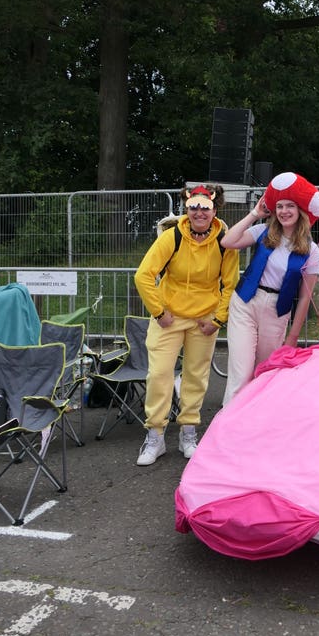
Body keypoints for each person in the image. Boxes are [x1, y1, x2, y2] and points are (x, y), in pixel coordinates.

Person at [134, 184, 240, 466]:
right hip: (169, 318)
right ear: (186, 208)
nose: (199, 213)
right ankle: (155, 435)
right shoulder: (172, 236)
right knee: (159, 374)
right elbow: (143, 275)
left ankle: (188, 432)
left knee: (196, 376)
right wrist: (159, 312)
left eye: (205, 208)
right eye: (194, 207)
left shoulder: (225, 241)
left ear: (215, 211)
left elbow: (230, 283)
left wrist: (218, 319)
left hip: (204, 319)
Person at [221, 172, 319, 405]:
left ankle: (256, 420)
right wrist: (255, 214)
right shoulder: (263, 231)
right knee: (241, 373)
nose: (284, 211)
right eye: (279, 206)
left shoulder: (311, 250)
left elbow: (305, 297)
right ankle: (229, 422)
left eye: (290, 206)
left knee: (264, 372)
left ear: (300, 210)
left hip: (277, 311)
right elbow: (228, 241)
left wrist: (293, 337)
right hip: (246, 302)